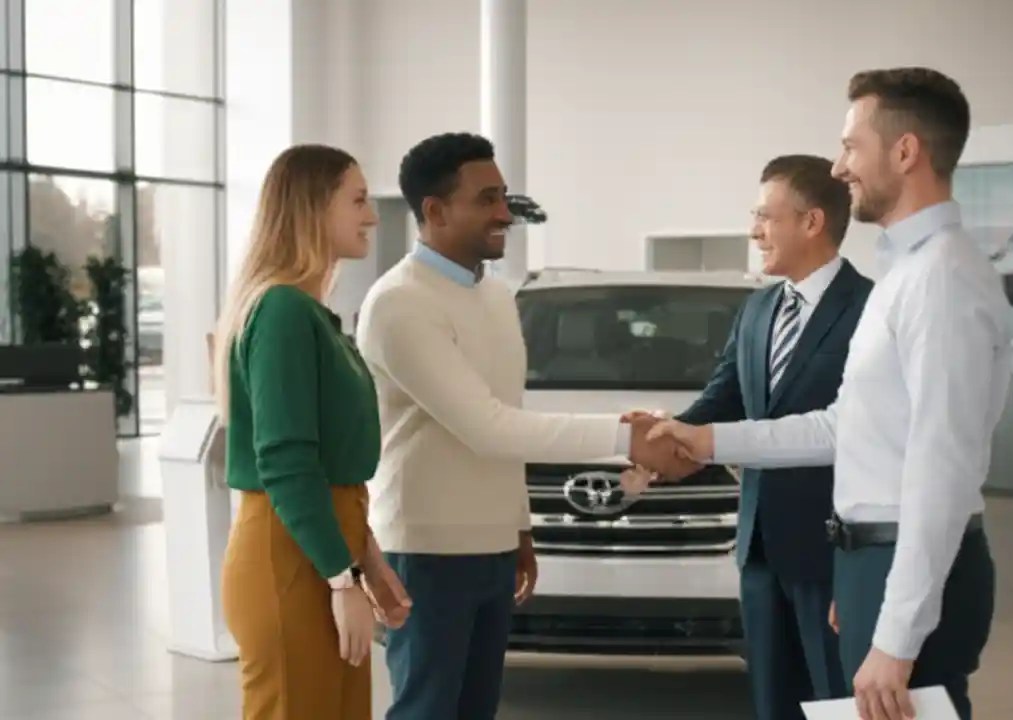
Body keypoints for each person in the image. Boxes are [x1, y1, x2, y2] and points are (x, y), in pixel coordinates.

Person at [645, 67, 1012, 720]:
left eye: (851, 146)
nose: (840, 167)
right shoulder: (911, 272)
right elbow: (848, 427)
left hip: (901, 555)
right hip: (871, 556)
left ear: (905, 152)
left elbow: (941, 467)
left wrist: (898, 633)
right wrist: (708, 438)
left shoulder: (941, 280)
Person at [354, 131, 698, 720]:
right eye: (486, 199)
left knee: (476, 710)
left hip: (488, 546)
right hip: (428, 549)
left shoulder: (493, 296)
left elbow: (504, 417)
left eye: (504, 196)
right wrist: (625, 435)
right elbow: (487, 427)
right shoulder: (399, 303)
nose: (504, 213)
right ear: (434, 211)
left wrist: (517, 526)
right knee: (428, 710)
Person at [631, 154, 872, 719]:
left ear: (811, 222)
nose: (753, 231)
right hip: (761, 547)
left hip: (835, 552)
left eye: (765, 216)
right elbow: (723, 398)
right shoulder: (759, 306)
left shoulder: (870, 309)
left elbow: (864, 436)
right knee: (774, 702)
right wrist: (661, 443)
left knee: (839, 699)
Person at [214, 144, 413, 720]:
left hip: (322, 546)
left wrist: (365, 561)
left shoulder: (307, 314)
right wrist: (341, 581)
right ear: (311, 208)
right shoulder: (280, 312)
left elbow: (331, 466)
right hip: (290, 556)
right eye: (356, 200)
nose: (372, 215)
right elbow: (286, 462)